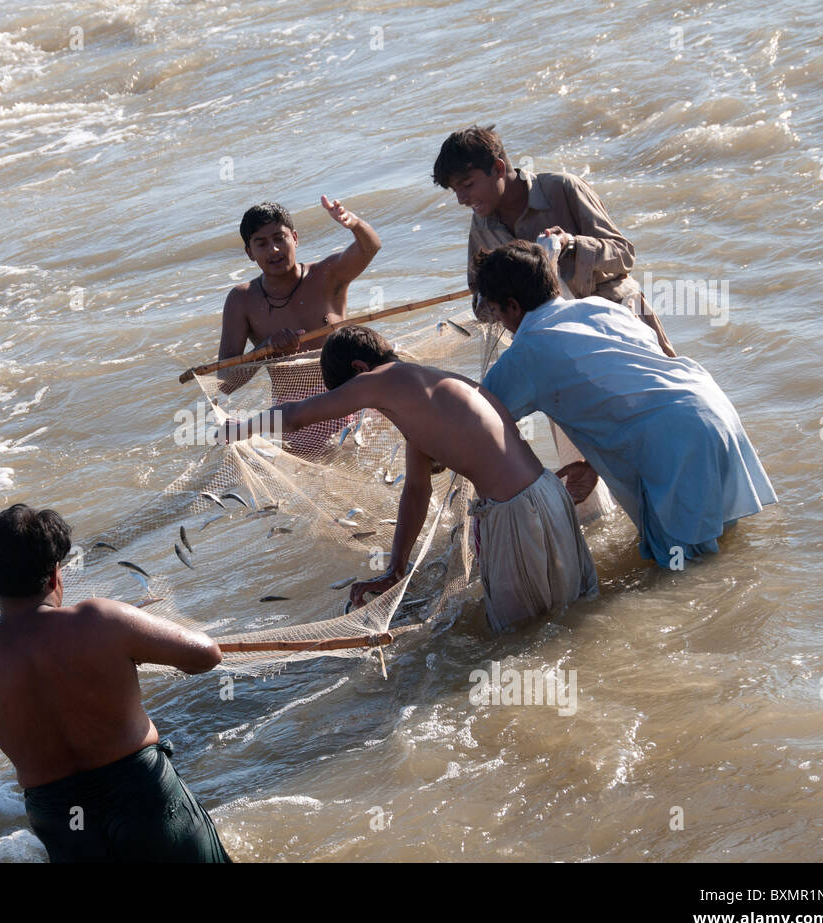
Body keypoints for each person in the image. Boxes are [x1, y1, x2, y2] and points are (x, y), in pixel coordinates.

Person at [220, 326, 597, 632]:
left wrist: (242, 427)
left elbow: (298, 415)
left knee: (520, 641)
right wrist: (395, 568)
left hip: (514, 513)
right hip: (547, 495)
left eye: (350, 396)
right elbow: (417, 490)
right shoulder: (428, 387)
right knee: (575, 622)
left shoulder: (381, 379)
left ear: (358, 370)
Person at [0, 504, 231, 863]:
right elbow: (207, 655)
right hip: (145, 799)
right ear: (54, 576)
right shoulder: (101, 620)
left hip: (67, 823)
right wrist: (132, 647)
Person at [473, 241, 777, 568]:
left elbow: (471, 421)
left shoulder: (524, 355)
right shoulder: (600, 308)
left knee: (682, 571)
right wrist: (590, 465)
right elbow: (630, 384)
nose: (500, 322)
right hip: (712, 410)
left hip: (677, 445)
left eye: (496, 311)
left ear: (513, 306)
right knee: (724, 549)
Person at [432, 124, 677, 357]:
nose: (461, 199)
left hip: (623, 321)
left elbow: (624, 255)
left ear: (497, 169)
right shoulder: (481, 223)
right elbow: (480, 297)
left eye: (467, 185)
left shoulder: (563, 188)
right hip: (558, 342)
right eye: (455, 190)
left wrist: (571, 245)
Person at [216, 197, 381, 456]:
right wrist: (265, 349)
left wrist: (353, 223)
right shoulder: (241, 300)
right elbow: (225, 383)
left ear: (295, 238)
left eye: (279, 238)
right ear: (249, 252)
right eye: (261, 243)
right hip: (293, 420)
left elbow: (370, 247)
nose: (273, 250)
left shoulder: (326, 275)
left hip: (348, 403)